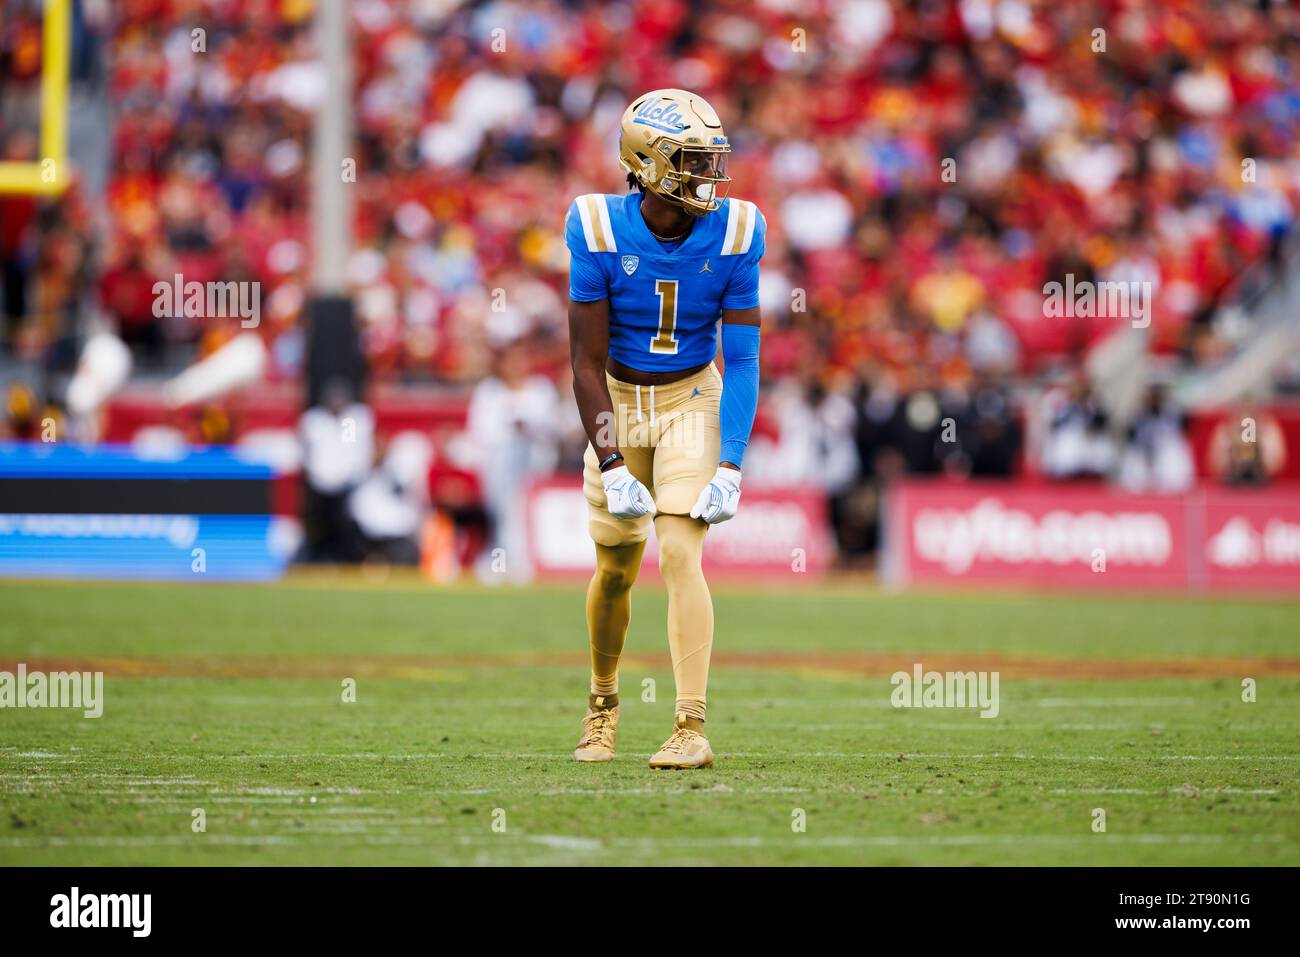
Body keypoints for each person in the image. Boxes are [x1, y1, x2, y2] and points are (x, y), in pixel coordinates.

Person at [566, 90, 763, 769]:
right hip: (617, 399)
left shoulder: (737, 229)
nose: (710, 174)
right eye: (694, 160)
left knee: (681, 552)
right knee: (616, 570)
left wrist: (731, 462)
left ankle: (690, 724)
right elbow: (584, 362)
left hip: (691, 399)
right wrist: (614, 462)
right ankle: (602, 707)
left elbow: (740, 357)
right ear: (649, 164)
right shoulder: (594, 225)